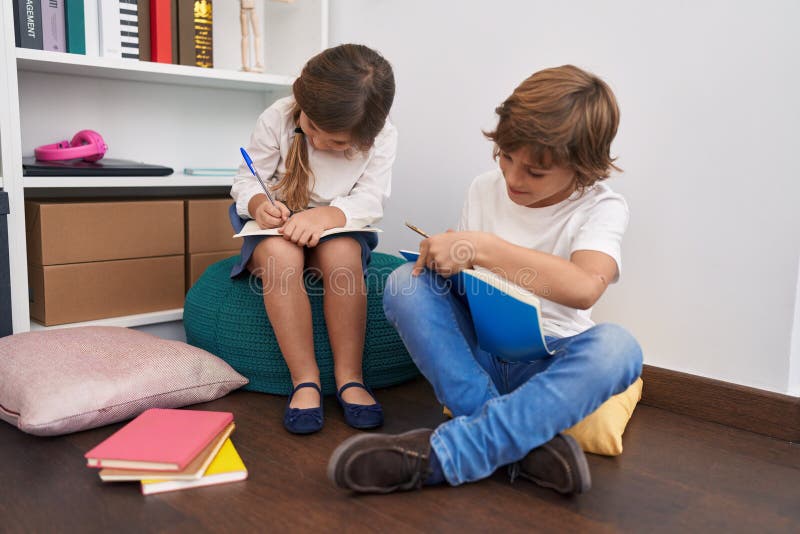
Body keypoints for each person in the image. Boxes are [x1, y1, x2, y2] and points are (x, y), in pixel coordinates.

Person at [327, 65, 642, 495]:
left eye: (535, 172)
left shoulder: (602, 207)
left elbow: (585, 286)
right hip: (479, 360)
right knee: (404, 282)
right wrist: (448, 259)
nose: (513, 178)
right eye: (506, 158)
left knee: (620, 350)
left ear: (583, 167)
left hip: (551, 365)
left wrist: (483, 247)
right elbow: (467, 284)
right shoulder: (483, 188)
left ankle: (452, 453)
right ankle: (521, 447)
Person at [229, 44, 397, 435]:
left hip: (338, 223)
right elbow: (246, 180)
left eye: (337, 143)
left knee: (342, 257)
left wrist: (326, 217)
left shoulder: (383, 136)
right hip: (276, 221)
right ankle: (305, 380)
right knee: (281, 259)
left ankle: (349, 377)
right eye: (313, 128)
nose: (319, 142)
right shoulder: (277, 116)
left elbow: (370, 199)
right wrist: (258, 205)